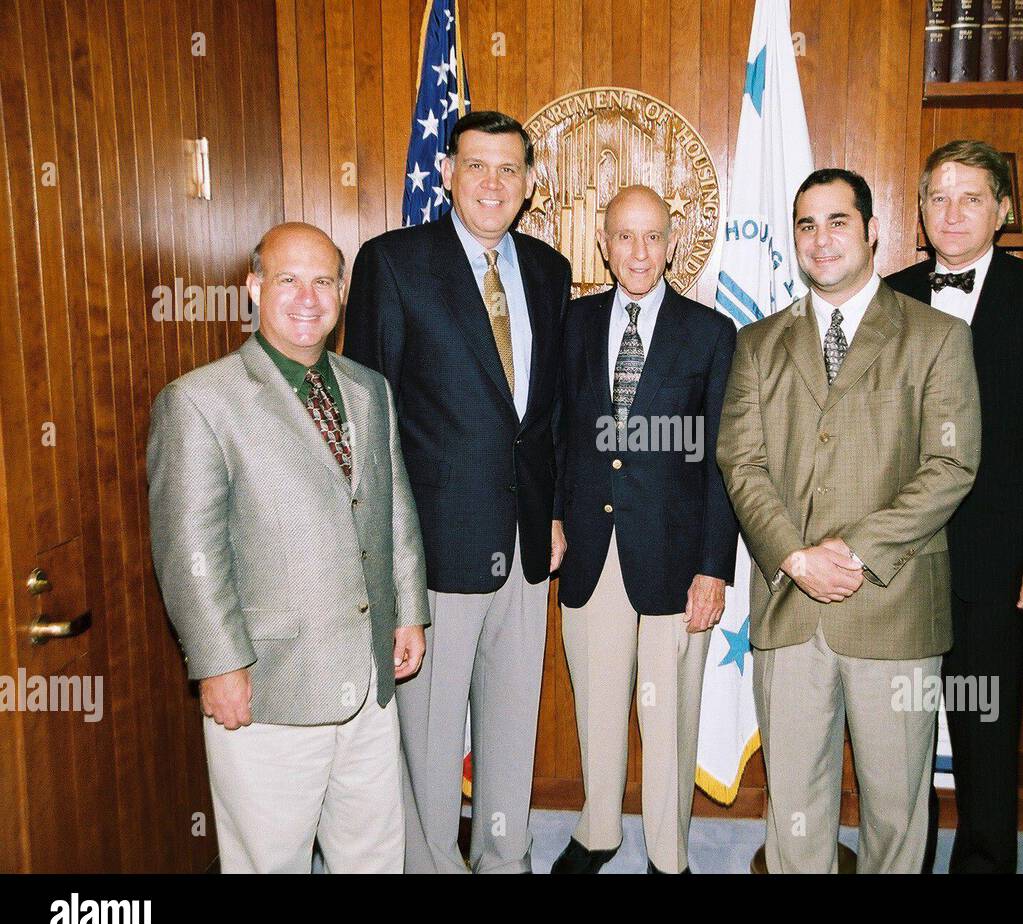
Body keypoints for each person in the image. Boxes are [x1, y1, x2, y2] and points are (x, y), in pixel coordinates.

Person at [716, 168, 981, 873]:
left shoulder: (936, 337)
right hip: (790, 603)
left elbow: (950, 467)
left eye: (838, 221)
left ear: (872, 231)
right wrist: (796, 557)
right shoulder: (757, 343)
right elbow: (740, 462)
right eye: (806, 224)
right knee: (795, 805)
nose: (821, 238)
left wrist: (853, 551)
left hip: (893, 608)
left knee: (895, 809)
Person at [146, 222, 429, 873]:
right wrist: (218, 664)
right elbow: (189, 550)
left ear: (341, 292)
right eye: (288, 279)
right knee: (269, 859)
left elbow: (394, 507)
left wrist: (409, 608)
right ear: (253, 288)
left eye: (324, 280)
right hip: (267, 686)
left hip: (367, 680)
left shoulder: (368, 389)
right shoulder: (198, 402)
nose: (309, 296)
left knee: (374, 852)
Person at [343, 111, 572, 874]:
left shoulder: (547, 270)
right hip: (433, 549)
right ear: (445, 173)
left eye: (510, 169)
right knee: (433, 743)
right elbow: (369, 424)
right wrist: (386, 556)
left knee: (511, 728)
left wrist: (559, 510)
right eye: (476, 166)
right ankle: (433, 865)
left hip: (526, 541)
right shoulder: (394, 262)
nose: (493, 184)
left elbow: (551, 413)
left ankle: (505, 859)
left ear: (530, 184)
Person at [887, 140, 1023, 874]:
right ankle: (905, 857)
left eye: (971, 197)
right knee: (899, 732)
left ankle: (981, 863)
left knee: (984, 728)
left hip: (1002, 564)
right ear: (918, 210)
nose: (952, 212)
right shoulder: (890, 295)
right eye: (938, 197)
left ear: (1003, 210)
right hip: (900, 564)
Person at [550, 186, 737, 874]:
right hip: (591, 552)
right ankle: (598, 830)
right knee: (597, 706)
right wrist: (553, 515)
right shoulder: (570, 324)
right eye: (624, 236)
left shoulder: (711, 333)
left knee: (669, 719)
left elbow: (725, 459)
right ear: (602, 243)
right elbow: (553, 434)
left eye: (652, 236)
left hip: (675, 559)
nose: (638, 252)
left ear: (672, 244)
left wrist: (714, 565)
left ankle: (669, 850)